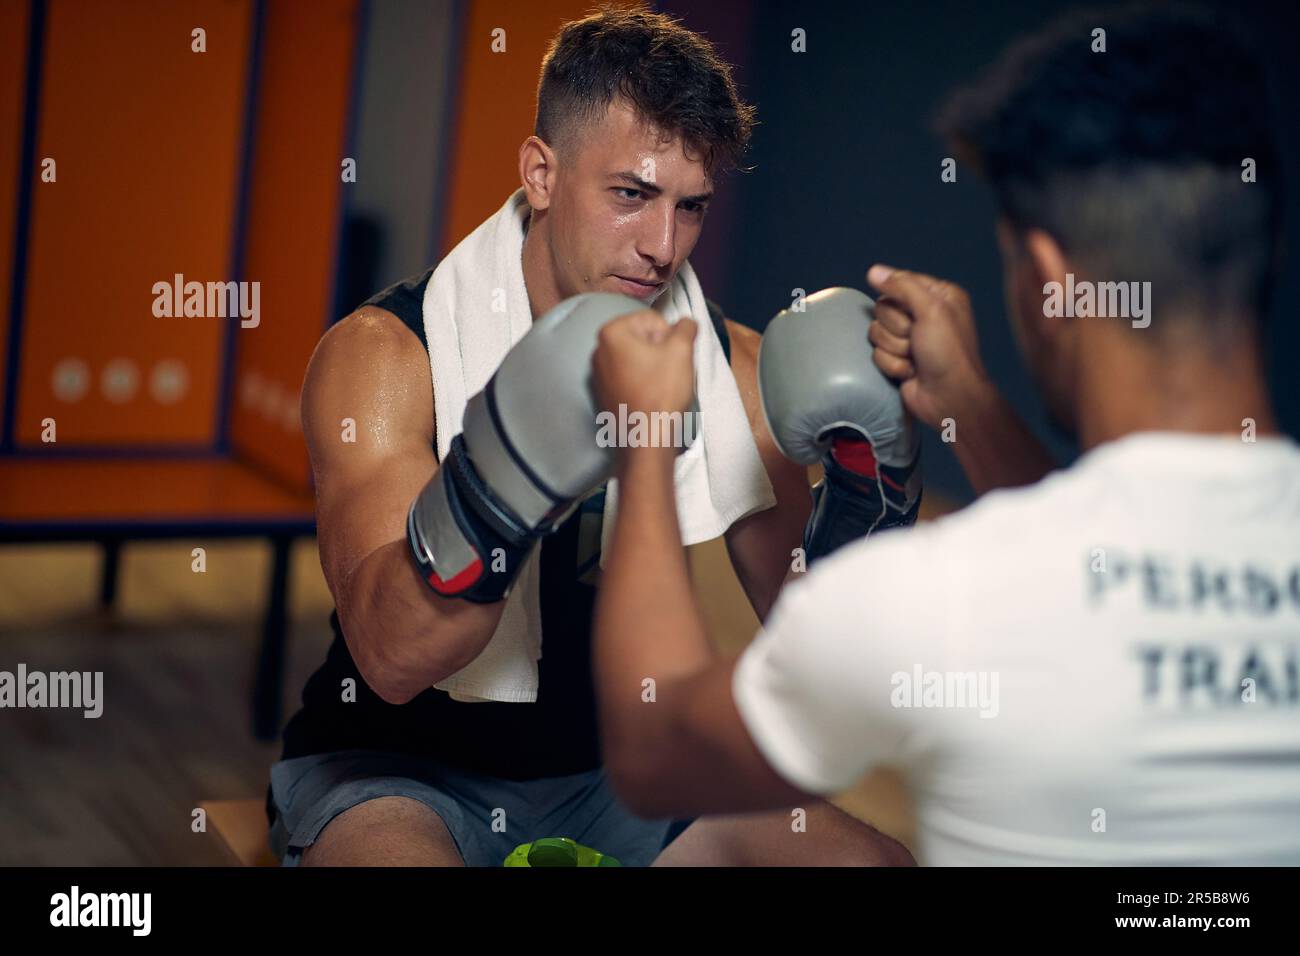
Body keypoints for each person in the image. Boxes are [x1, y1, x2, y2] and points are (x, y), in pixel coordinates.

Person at [590, 6, 1300, 865]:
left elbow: (657, 750)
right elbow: (1101, 560)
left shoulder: (935, 596)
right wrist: (970, 404)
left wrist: (645, 434)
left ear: (1047, 279)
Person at [267, 7, 913, 867]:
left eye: (691, 208)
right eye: (631, 195)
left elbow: (819, 646)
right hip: (394, 772)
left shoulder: (730, 368)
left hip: (613, 774)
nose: (661, 248)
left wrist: (874, 492)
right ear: (541, 172)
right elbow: (391, 657)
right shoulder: (388, 356)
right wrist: (504, 469)